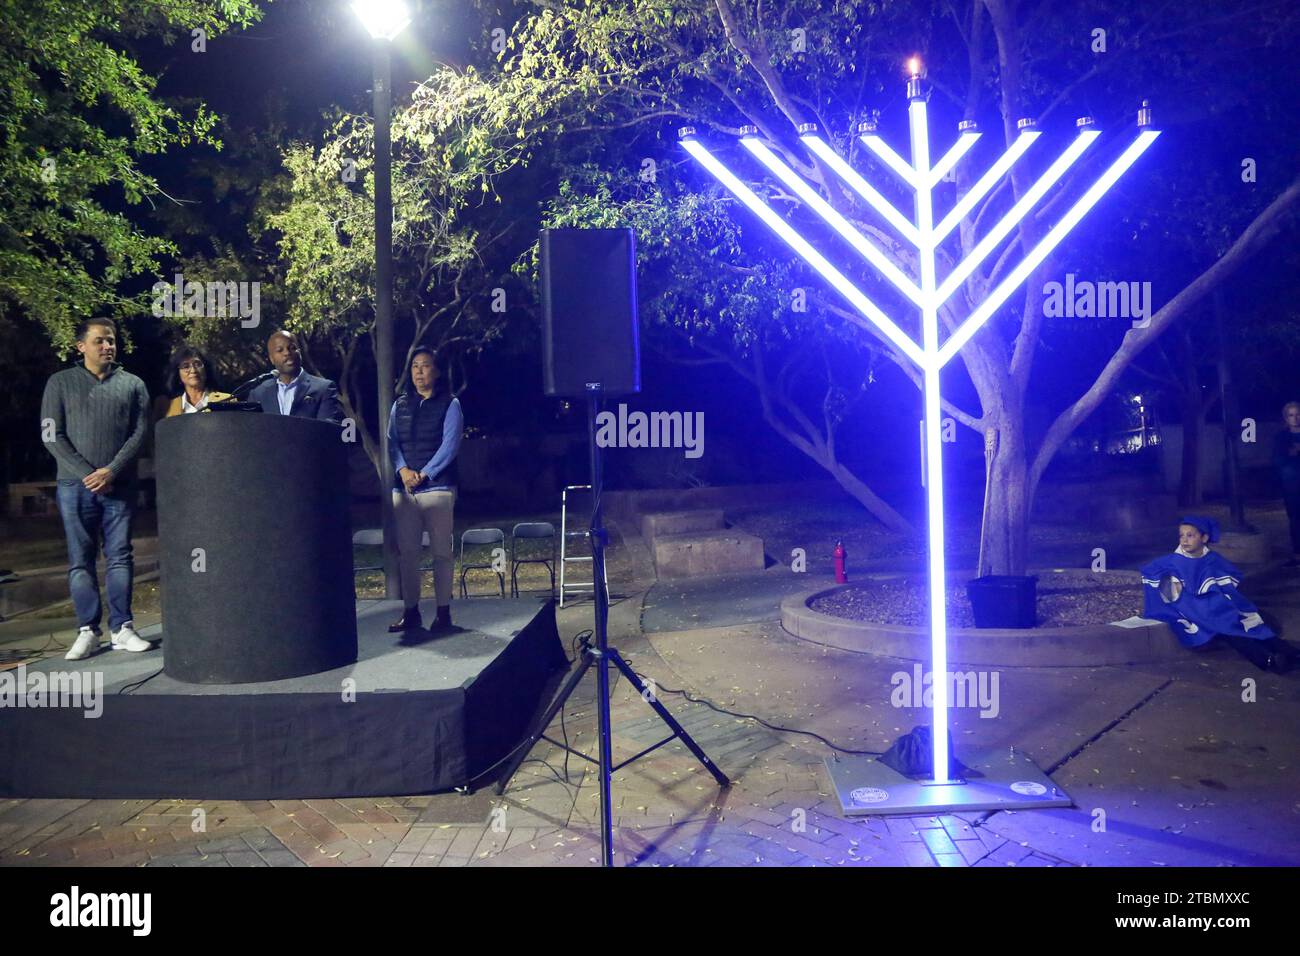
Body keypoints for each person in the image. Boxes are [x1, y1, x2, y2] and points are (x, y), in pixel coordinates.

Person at [39, 318, 153, 660]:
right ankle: (88, 630)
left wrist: (111, 471)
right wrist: (90, 474)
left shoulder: (133, 385)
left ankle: (122, 628)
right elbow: (50, 434)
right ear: (81, 346)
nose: (108, 346)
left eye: (112, 341)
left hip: (119, 486)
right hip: (74, 487)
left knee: (120, 556)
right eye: (100, 341)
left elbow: (140, 434)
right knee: (80, 560)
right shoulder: (59, 383)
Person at [1141, 515, 1298, 672]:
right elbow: (1167, 587)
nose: (1184, 540)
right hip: (1195, 610)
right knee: (1229, 628)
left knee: (1249, 621)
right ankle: (1267, 660)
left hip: (1216, 604)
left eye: (1190, 535)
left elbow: (1225, 584)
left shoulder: (1212, 559)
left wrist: (1225, 601)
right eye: (1181, 535)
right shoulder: (1173, 562)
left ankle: (1287, 652)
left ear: (1204, 538)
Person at [386, 347, 463, 633]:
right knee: (407, 554)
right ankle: (411, 612)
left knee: (441, 552)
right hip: (404, 491)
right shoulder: (400, 405)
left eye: (426, 366)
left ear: (437, 371)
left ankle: (443, 612)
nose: (419, 372)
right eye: (415, 367)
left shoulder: (450, 404)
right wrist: (403, 471)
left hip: (438, 489)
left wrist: (426, 473)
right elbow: (392, 442)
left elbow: (450, 444)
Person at [247, 330, 342, 423]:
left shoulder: (324, 389)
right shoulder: (258, 394)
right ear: (272, 359)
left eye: (292, 348)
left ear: (299, 352)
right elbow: (252, 431)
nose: (287, 353)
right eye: (280, 350)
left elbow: (327, 432)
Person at [162, 345, 233, 416]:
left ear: (206, 370)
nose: (193, 370)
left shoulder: (226, 400)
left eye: (198, 364)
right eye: (186, 366)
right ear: (177, 374)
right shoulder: (169, 408)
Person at [1272, 401, 1300, 568]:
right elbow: (1279, 459)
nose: (1295, 418)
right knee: (1296, 518)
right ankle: (1297, 555)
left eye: (1298, 414)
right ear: (1286, 418)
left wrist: (1295, 452)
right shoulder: (1282, 437)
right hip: (1291, 485)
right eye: (1291, 415)